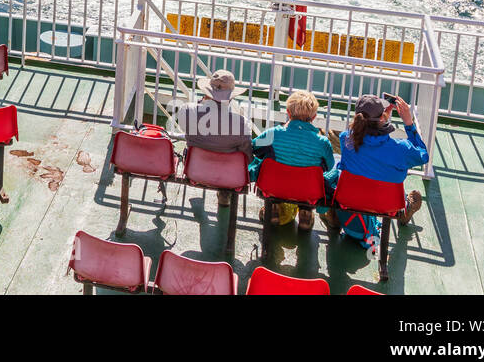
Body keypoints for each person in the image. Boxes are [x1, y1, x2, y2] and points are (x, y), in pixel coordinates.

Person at [322, 93, 426, 241]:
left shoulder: (346, 139)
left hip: (350, 198)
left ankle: (335, 216)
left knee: (342, 171)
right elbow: (422, 155)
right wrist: (409, 124)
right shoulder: (400, 149)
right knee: (389, 175)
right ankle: (404, 209)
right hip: (387, 205)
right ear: (382, 118)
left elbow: (362, 142)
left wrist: (381, 120)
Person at [248, 90, 334, 230]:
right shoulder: (323, 142)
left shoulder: (273, 133)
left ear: (288, 113)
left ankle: (273, 206)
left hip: (273, 186)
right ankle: (306, 211)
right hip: (308, 192)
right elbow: (329, 166)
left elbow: (254, 148)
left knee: (265, 161)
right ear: (314, 117)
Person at [174, 70, 258, 207]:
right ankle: (225, 192)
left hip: (195, 171)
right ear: (231, 97)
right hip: (229, 176)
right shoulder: (241, 124)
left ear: (207, 93)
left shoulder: (187, 111)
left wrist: (201, 104)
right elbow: (247, 157)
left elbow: (186, 128)